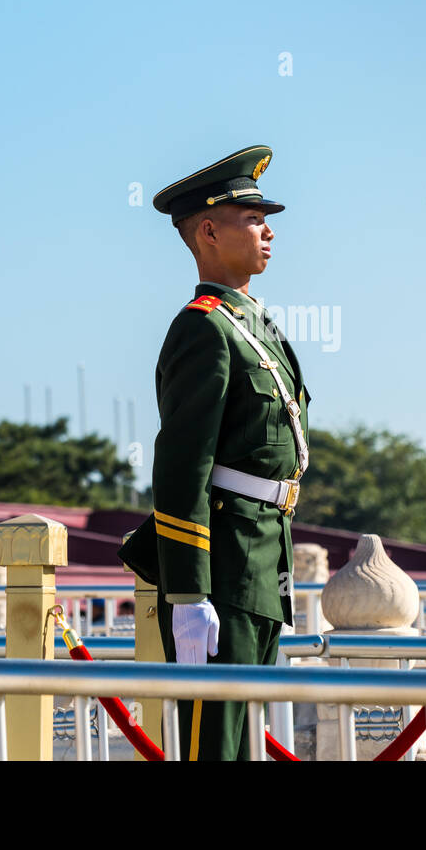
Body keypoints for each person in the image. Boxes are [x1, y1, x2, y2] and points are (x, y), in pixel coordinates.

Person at [117, 144, 310, 761]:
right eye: (252, 218)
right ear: (207, 230)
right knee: (214, 745)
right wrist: (188, 595)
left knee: (244, 738)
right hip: (222, 565)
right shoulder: (204, 326)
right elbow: (182, 468)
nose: (267, 230)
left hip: (261, 555)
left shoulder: (253, 325)